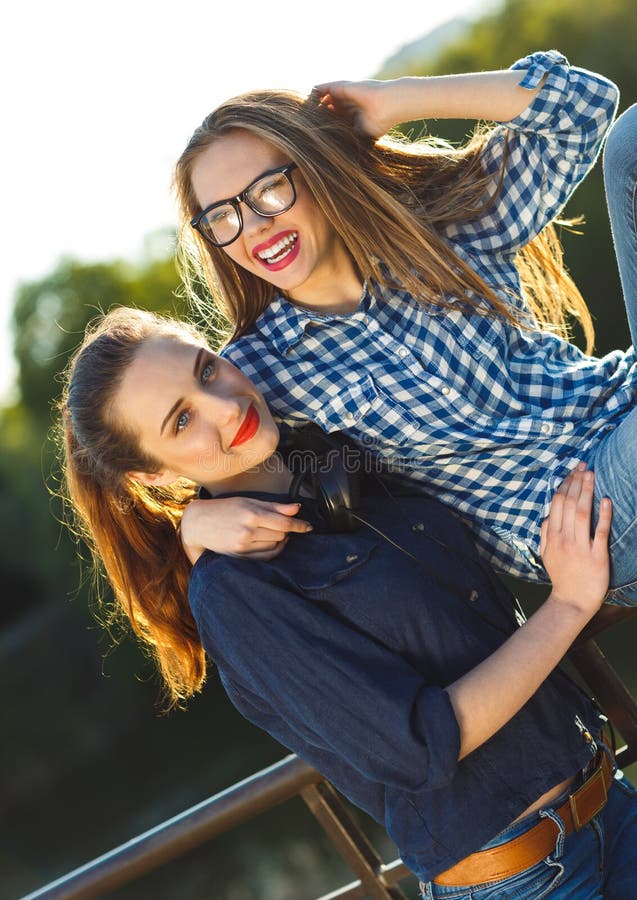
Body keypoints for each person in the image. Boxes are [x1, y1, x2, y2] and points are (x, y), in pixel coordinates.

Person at [58, 304, 637, 896]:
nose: (227, 408)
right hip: (525, 879)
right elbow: (421, 744)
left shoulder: (339, 453)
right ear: (152, 476)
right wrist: (567, 607)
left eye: (206, 371)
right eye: (181, 422)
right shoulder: (234, 596)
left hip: (610, 797)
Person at [172, 50, 637, 605]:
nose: (254, 226)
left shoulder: (438, 234)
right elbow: (171, 455)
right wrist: (190, 528)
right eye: (223, 216)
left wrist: (400, 100)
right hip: (590, 521)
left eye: (269, 188)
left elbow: (587, 106)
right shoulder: (261, 372)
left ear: (317, 170)